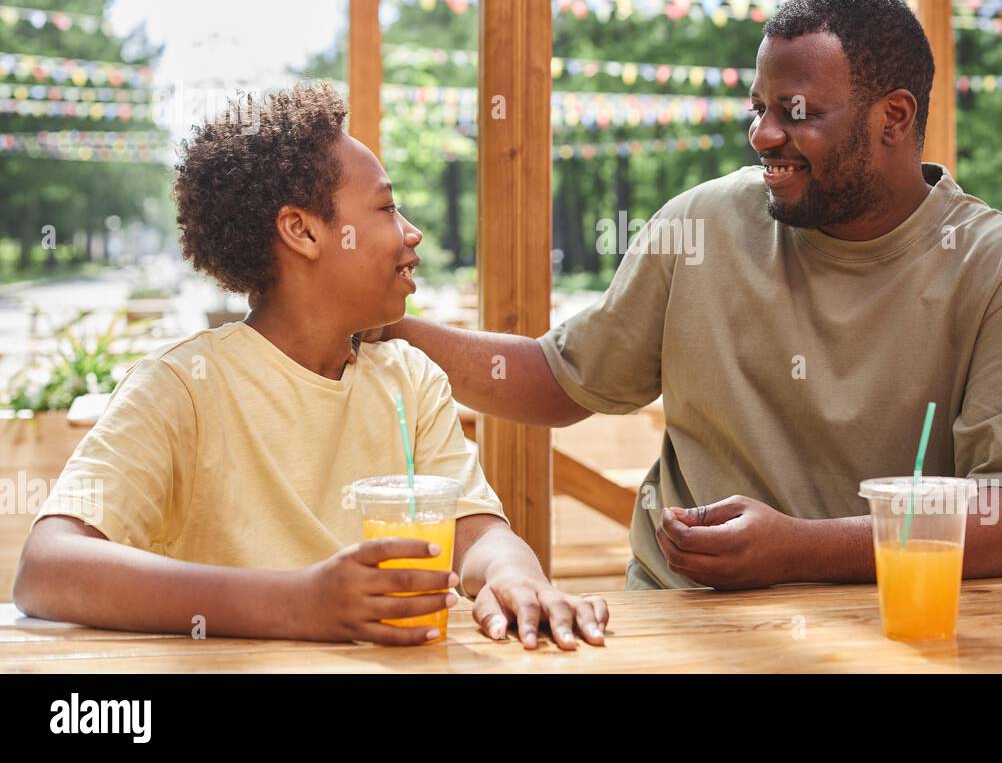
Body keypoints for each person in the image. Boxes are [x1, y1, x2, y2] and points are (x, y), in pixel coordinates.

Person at [369, 0, 1002, 591]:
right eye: (759, 108)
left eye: (795, 112)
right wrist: (383, 330)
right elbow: (561, 381)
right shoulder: (702, 223)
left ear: (893, 119)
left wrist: (801, 549)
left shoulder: (1000, 272)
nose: (763, 134)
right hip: (677, 621)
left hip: (890, 632)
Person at [14, 82, 608, 647]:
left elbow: (474, 532)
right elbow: (49, 568)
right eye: (387, 209)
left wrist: (514, 577)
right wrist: (299, 603)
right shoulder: (184, 387)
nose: (412, 232)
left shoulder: (409, 378)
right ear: (301, 230)